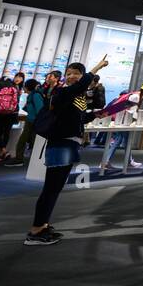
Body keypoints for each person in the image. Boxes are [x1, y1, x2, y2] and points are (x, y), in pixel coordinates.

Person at [24, 57, 107, 246]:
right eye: (69, 74)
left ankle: (43, 225)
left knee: (56, 187)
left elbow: (78, 119)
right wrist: (97, 67)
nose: (71, 77)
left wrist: (94, 115)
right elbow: (80, 86)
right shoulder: (62, 92)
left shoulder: (77, 97)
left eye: (75, 74)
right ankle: (36, 230)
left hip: (70, 143)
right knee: (51, 188)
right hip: (59, 143)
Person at [5, 79, 44, 168]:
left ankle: (20, 159)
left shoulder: (35, 96)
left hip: (33, 122)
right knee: (29, 141)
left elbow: (40, 110)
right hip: (32, 121)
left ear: (27, 87)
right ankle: (33, 161)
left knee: (23, 141)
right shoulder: (33, 95)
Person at [0, 72, 23, 163]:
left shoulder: (1, 85)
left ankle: (3, 151)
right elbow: (16, 102)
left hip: (0, 112)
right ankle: (1, 153)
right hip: (12, 113)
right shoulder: (15, 88)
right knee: (6, 133)